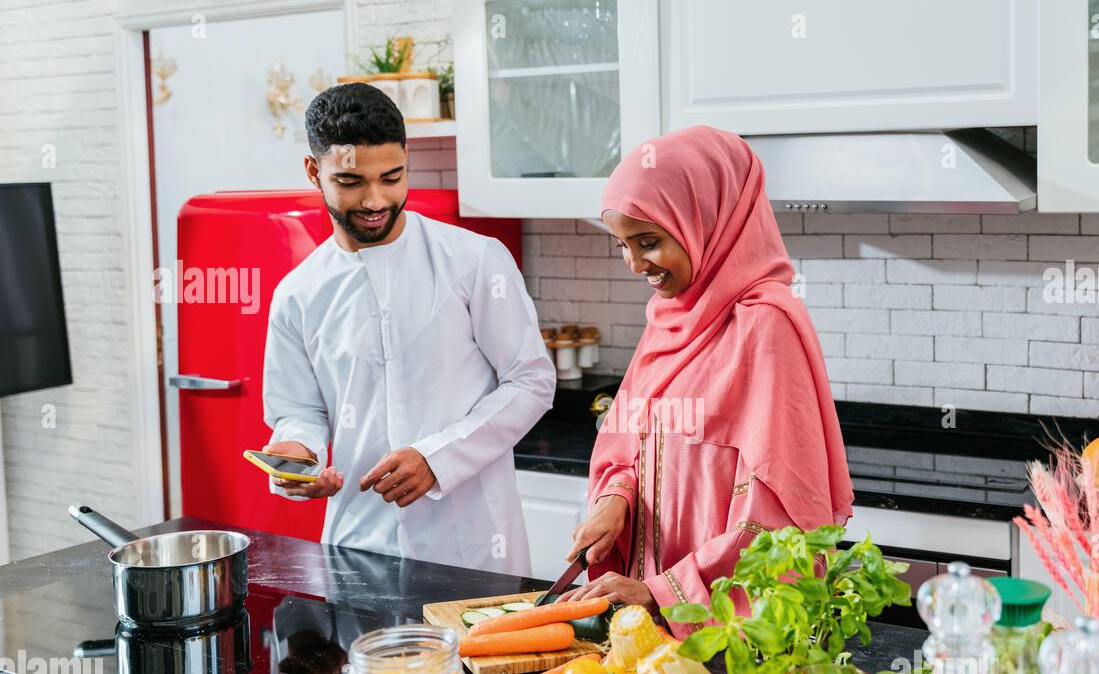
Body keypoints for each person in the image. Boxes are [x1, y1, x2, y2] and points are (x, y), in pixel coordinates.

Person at [558, 125, 853, 633]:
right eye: (622, 245)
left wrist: (662, 593)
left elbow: (774, 525)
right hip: (652, 627)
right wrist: (615, 500)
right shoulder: (670, 317)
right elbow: (635, 439)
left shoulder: (765, 326)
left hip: (729, 635)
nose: (633, 264)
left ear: (707, 220)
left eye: (647, 242)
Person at [261, 82, 554, 574]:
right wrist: (297, 455)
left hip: (471, 546)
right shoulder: (298, 292)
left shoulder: (474, 260)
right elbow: (297, 412)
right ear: (315, 172)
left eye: (392, 177)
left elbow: (531, 381)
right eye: (351, 182)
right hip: (358, 546)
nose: (376, 199)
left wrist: (437, 458)